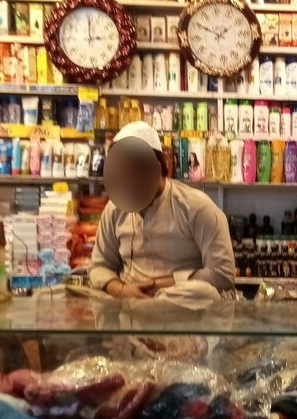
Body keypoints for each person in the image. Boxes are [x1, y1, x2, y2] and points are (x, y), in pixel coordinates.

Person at [90, 121, 235, 299]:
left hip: (179, 301)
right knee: (63, 293)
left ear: (156, 168)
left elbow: (223, 274)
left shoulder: (196, 207)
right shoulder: (114, 209)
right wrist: (121, 290)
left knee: (202, 291)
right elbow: (98, 266)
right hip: (127, 301)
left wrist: (162, 285)